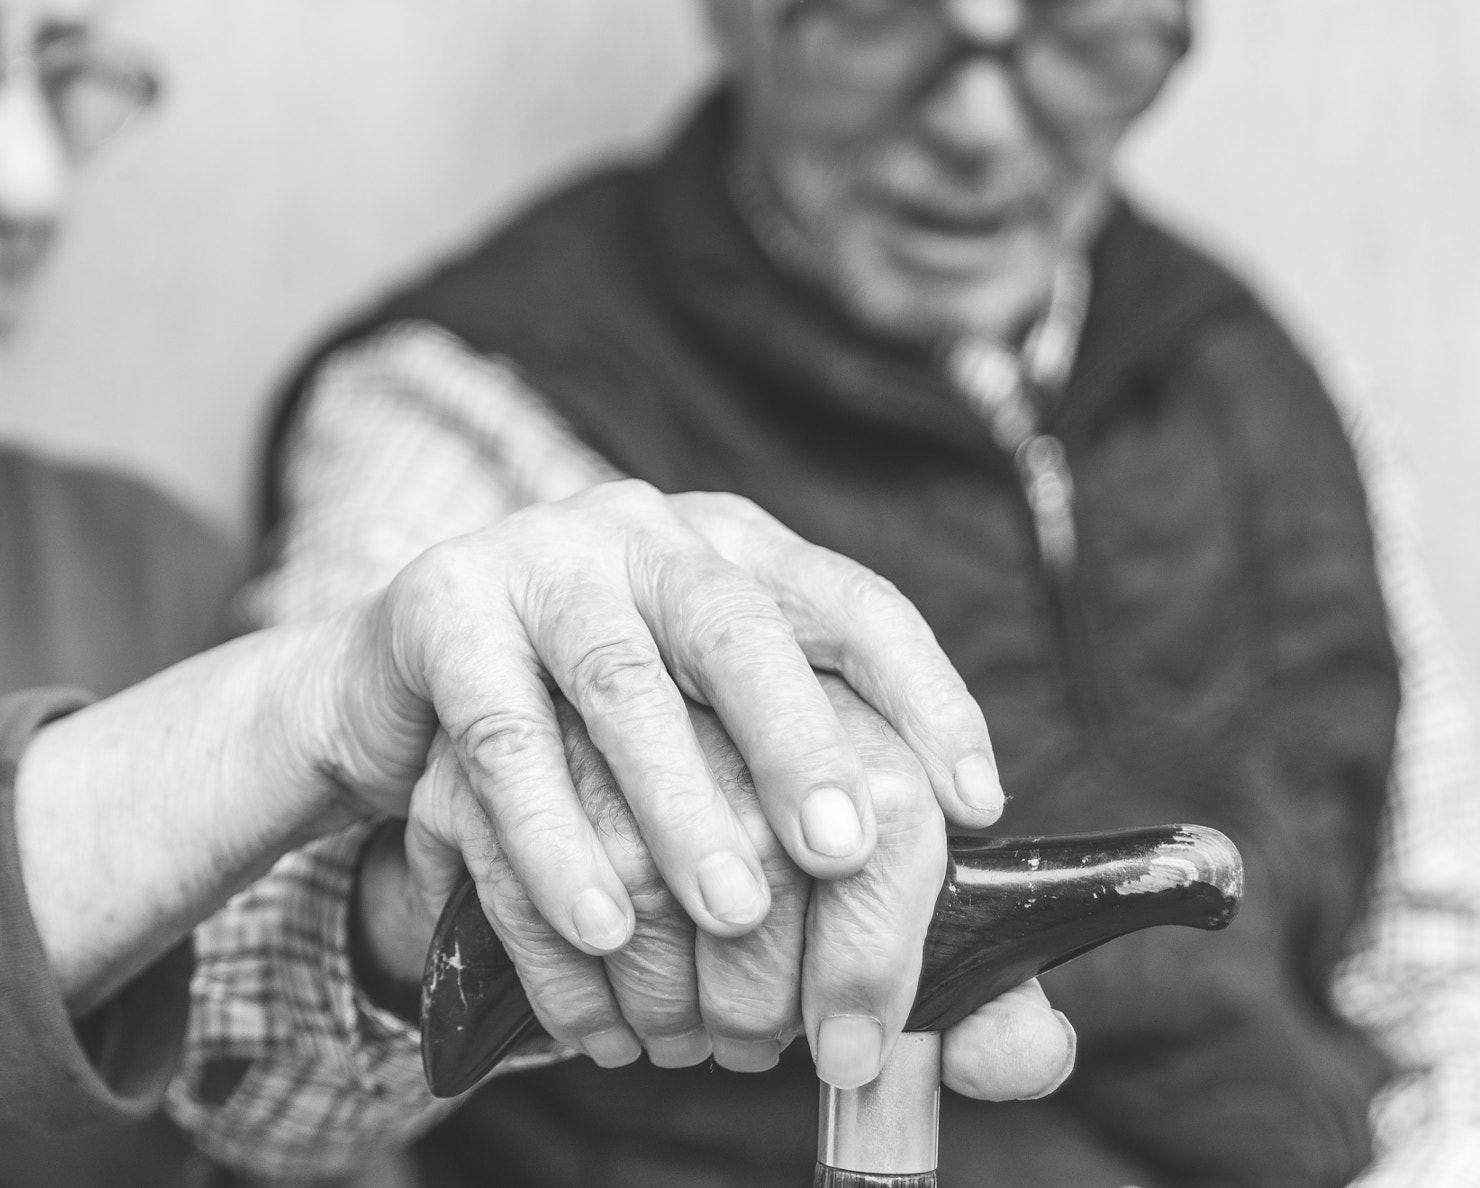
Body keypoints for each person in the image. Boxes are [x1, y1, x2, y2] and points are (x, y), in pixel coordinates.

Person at [0, 0, 1081, 1184]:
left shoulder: (135, 561)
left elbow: (274, 1099)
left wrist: (448, 892)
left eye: (64, 77)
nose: (27, 182)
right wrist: (295, 708)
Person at [256, 0, 1480, 1185]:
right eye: (879, 19)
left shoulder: (1264, 380)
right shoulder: (477, 404)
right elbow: (256, 1072)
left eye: (1081, 32)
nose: (979, 128)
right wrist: (399, 920)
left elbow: (1437, 962)